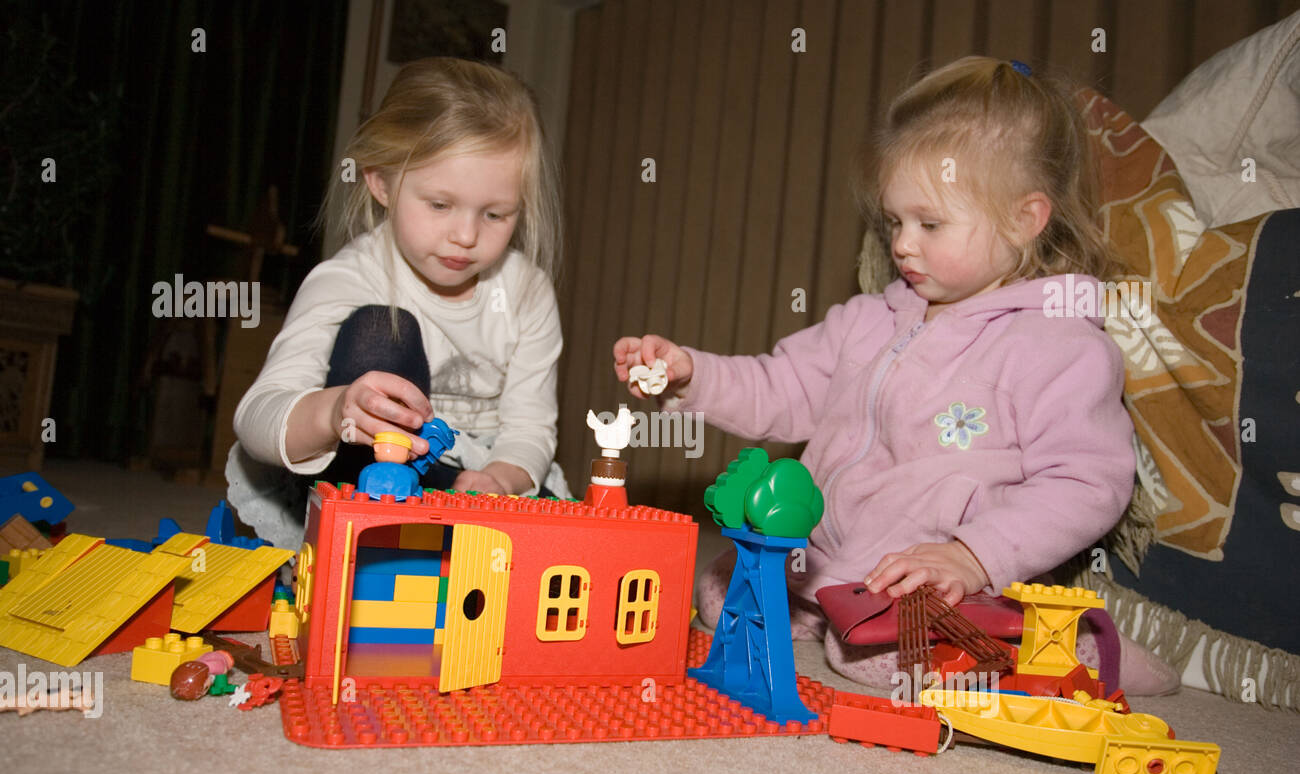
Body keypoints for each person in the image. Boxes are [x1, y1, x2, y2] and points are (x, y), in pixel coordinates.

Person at [613, 57, 1179, 694]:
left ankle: (1065, 644)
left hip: (935, 573)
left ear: (1026, 219)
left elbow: (1086, 480)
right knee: (718, 595)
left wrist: (973, 555)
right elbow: (783, 387)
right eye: (894, 222)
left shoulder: (1060, 345)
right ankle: (827, 605)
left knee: (872, 659)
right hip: (826, 554)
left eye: (930, 224)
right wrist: (692, 376)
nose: (903, 245)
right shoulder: (868, 319)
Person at [228, 58, 570, 550]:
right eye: (439, 205)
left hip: (471, 486)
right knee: (380, 329)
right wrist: (334, 412)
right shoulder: (348, 278)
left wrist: (499, 478)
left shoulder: (527, 291)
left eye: (495, 214)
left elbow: (531, 426)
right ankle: (366, 544)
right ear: (381, 182)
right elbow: (257, 415)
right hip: (365, 475)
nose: (466, 236)